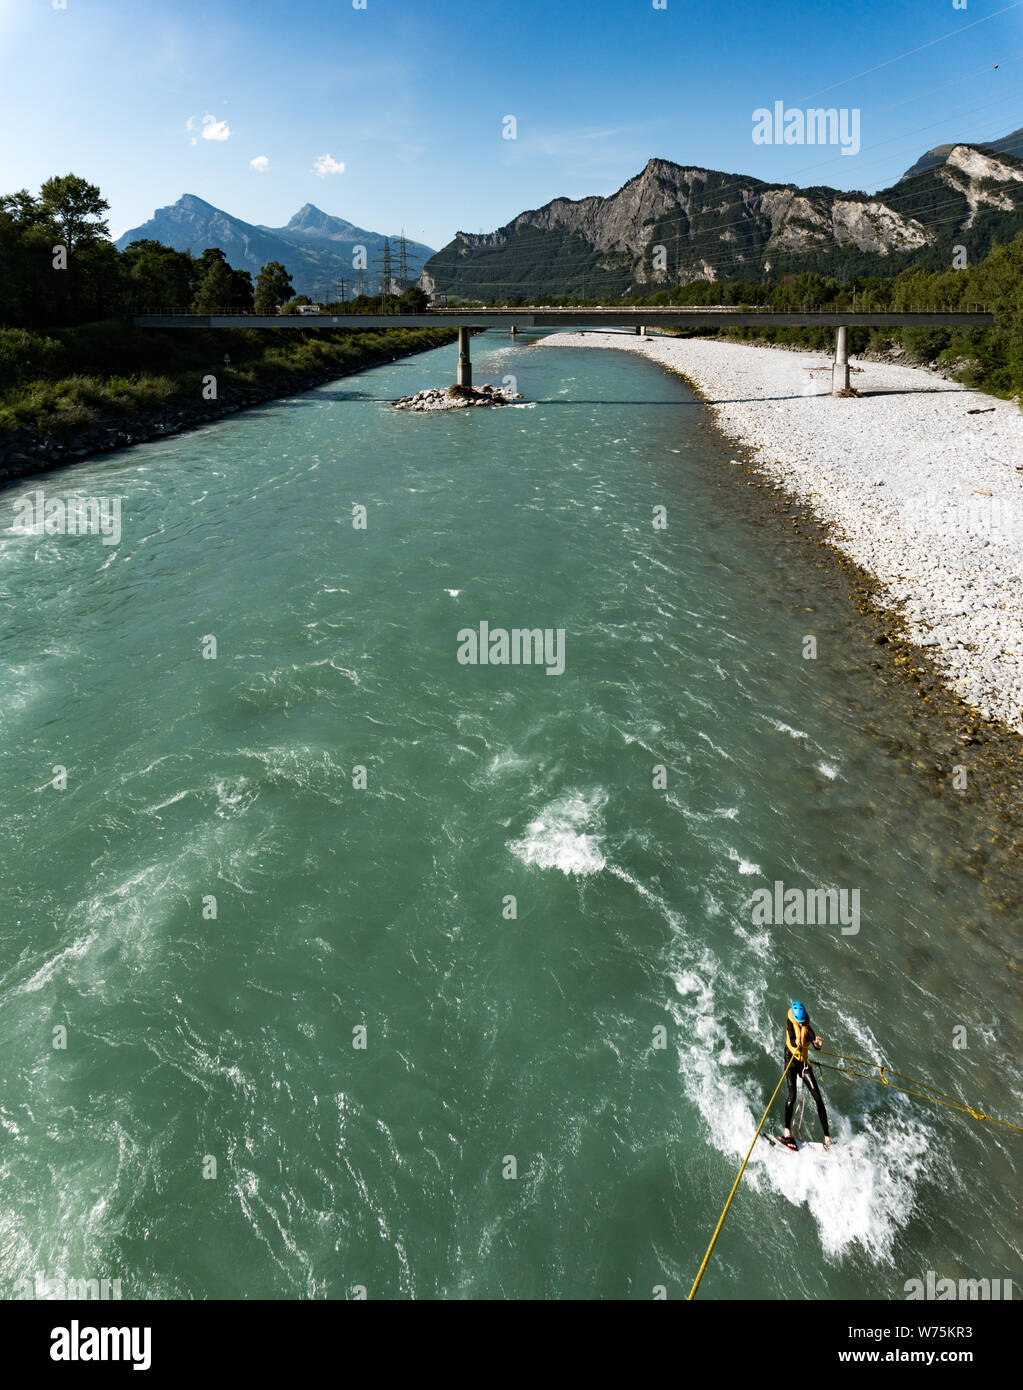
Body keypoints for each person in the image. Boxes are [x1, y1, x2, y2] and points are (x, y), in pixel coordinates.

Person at [782, 1000, 833, 1150]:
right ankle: (787, 1132)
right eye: (800, 1022)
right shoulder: (790, 1023)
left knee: (818, 1097)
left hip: (803, 1064)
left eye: (803, 1022)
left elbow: (814, 1043)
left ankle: (827, 1137)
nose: (801, 1024)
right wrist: (797, 1040)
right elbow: (792, 1038)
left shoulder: (806, 1026)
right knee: (792, 1096)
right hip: (790, 1063)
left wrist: (817, 1044)